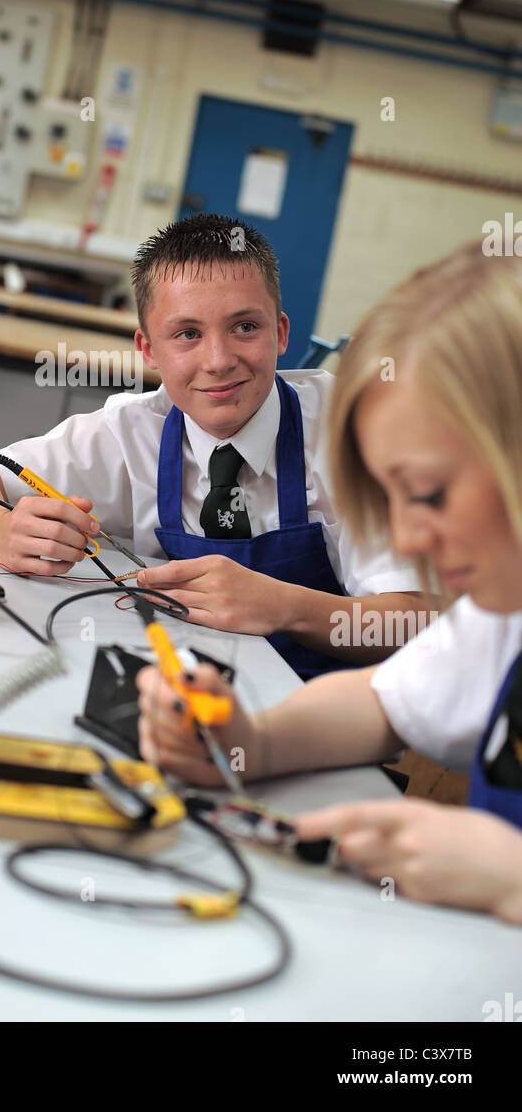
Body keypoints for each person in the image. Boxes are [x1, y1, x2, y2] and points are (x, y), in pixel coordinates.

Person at [136, 239, 522, 922]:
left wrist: (509, 876)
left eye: (429, 494)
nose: (407, 539)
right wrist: (252, 743)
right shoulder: (501, 620)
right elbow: (384, 703)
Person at [0, 213, 425, 679]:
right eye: (187, 334)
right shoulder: (133, 433)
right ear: (149, 351)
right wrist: (1, 529)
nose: (218, 360)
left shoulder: (353, 435)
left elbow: (412, 623)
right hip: (180, 693)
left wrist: (286, 608)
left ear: (280, 333)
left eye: (245, 327)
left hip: (321, 718)